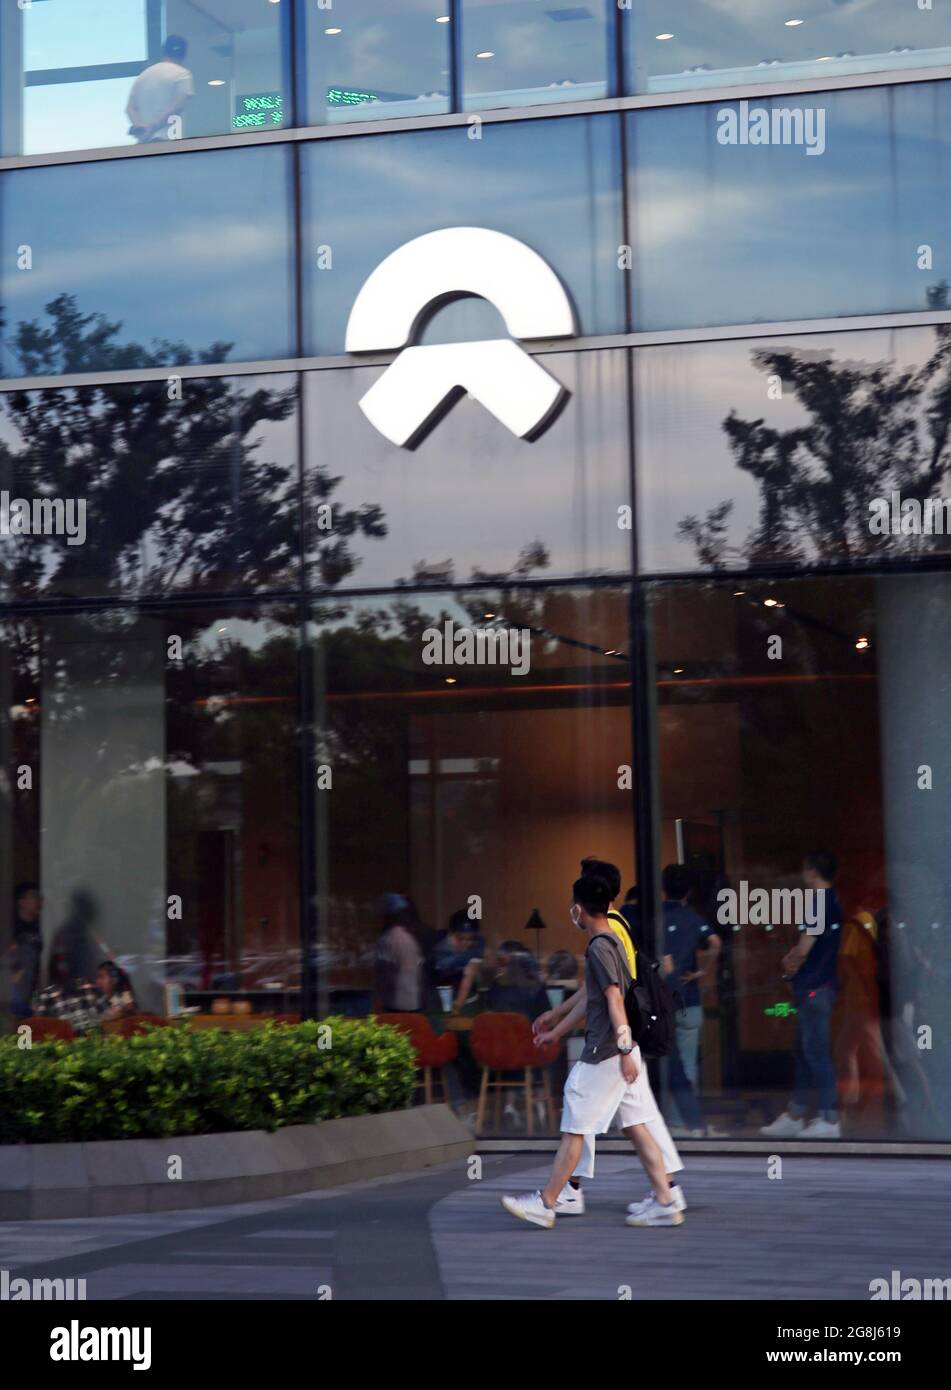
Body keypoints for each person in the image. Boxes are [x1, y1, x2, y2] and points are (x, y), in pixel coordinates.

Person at [501, 870, 684, 1229]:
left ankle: (548, 1201)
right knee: (638, 1126)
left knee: (575, 1126)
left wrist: (624, 1045)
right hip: (620, 1052)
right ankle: (665, 1199)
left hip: (605, 1054)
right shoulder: (614, 938)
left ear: (579, 909)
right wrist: (558, 1026)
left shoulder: (600, 946)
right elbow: (596, 997)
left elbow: (614, 999)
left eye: (573, 905)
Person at [761, 850, 843, 1139]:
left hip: (813, 987)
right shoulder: (833, 901)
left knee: (815, 1051)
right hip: (821, 986)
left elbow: (804, 947)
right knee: (804, 1050)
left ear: (812, 871)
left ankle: (828, 1118)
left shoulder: (818, 903)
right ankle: (797, 1113)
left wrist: (788, 963)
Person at [660, 862, 721, 1137]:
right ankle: (683, 1120)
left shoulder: (655, 917)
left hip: (661, 998)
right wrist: (702, 972)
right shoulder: (693, 918)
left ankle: (670, 1121)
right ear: (688, 891)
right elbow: (716, 943)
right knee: (686, 1061)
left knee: (662, 1062)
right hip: (690, 997)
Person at [126, 36, 194, 143]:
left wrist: (139, 126)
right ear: (184, 55)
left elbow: (130, 109)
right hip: (167, 140)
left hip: (143, 143)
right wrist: (153, 127)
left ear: (163, 51)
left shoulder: (143, 76)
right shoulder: (182, 75)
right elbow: (177, 107)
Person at [375, 894, 423, 1012]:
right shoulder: (406, 937)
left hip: (398, 1005)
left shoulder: (392, 937)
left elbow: (388, 975)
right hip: (410, 1003)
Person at [9, 881, 43, 1019]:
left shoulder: (36, 928)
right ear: (21, 901)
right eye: (33, 896)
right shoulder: (10, 925)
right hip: (13, 994)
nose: (39, 901)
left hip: (30, 992)